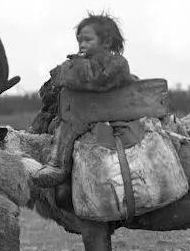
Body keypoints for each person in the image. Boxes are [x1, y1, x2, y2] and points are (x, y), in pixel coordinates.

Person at [33, 13, 137, 187]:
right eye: (79, 40)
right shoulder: (84, 62)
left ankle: (58, 166)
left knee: (69, 126)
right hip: (88, 109)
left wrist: (70, 70)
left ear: (106, 42)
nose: (82, 44)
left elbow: (97, 81)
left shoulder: (116, 62)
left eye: (88, 40)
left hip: (104, 111)